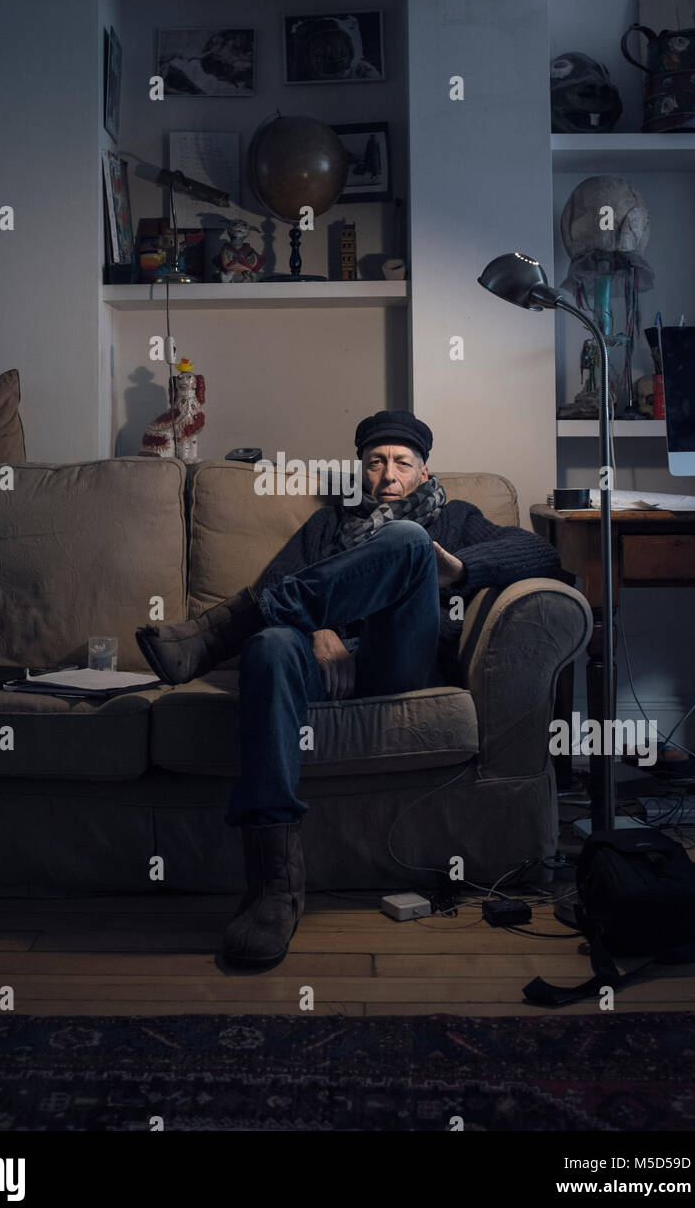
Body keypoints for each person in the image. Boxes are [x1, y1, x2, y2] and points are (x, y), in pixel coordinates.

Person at [137, 411, 561, 969]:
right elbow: (276, 588)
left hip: (401, 657)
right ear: (362, 469)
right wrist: (319, 629)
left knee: (408, 540)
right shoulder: (327, 527)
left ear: (424, 469)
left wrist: (458, 569)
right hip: (325, 662)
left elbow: (542, 555)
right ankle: (273, 888)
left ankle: (222, 629)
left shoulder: (456, 516)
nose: (389, 472)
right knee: (267, 648)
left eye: (402, 462)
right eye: (377, 461)